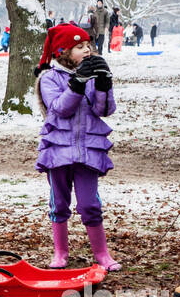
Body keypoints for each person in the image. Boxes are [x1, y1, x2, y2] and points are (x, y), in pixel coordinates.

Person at [33, 23, 120, 272]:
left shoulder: (91, 76)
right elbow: (60, 108)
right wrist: (77, 84)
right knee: (59, 203)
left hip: (88, 149)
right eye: (80, 47)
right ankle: (60, 253)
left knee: (89, 204)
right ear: (63, 52)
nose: (87, 50)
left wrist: (103, 84)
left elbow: (104, 110)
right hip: (58, 149)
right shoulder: (49, 78)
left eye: (88, 45)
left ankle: (102, 254)